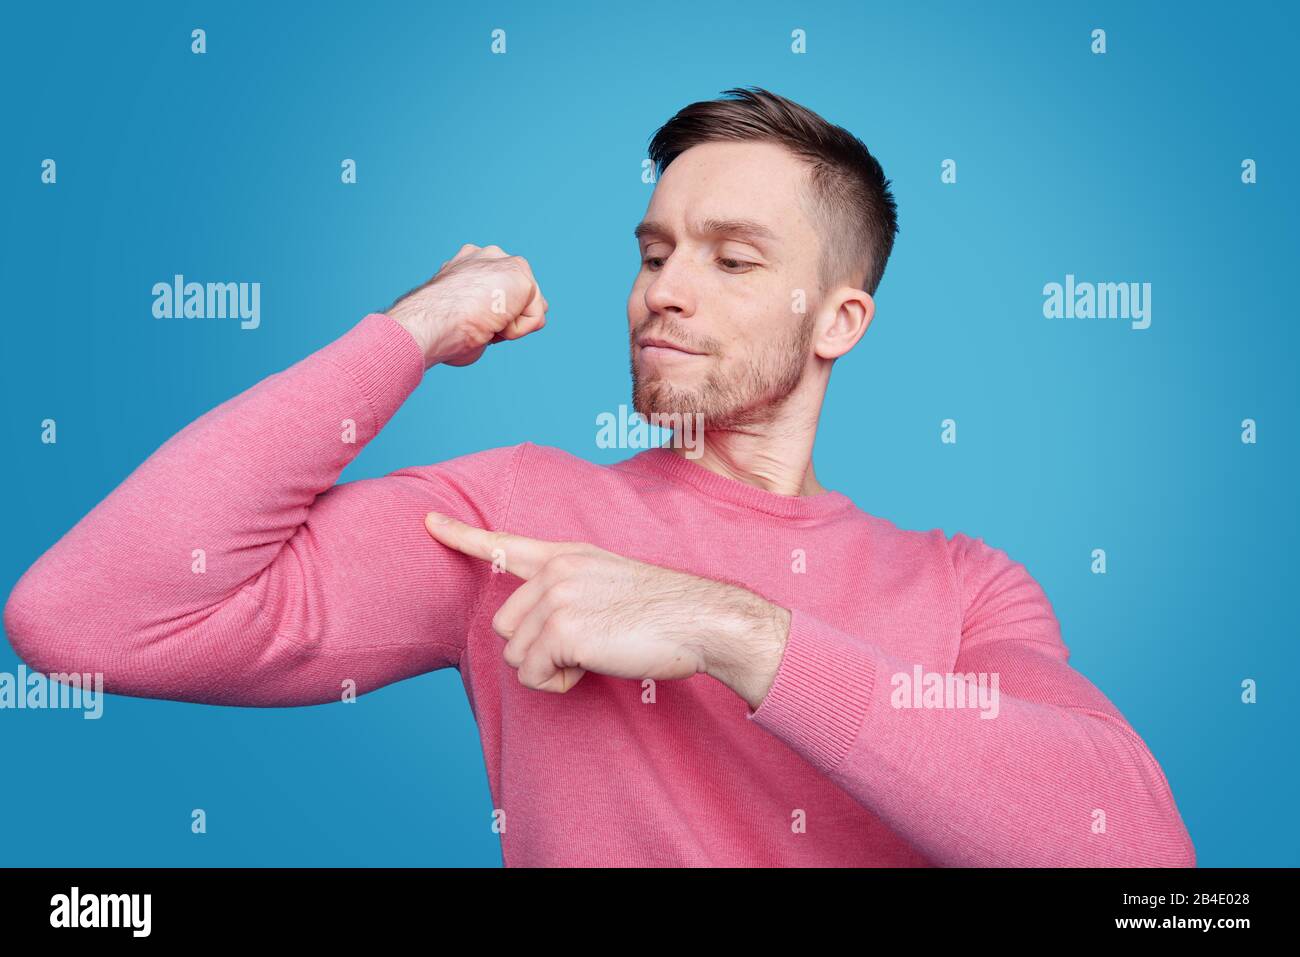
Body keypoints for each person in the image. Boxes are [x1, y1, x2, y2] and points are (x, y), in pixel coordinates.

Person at [3, 87, 1195, 867]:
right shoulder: (512, 517)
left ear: (838, 320)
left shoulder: (965, 587)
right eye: (654, 252)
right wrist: (414, 328)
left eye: (732, 260)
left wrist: (728, 628)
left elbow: (1138, 859)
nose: (662, 291)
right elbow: (85, 622)